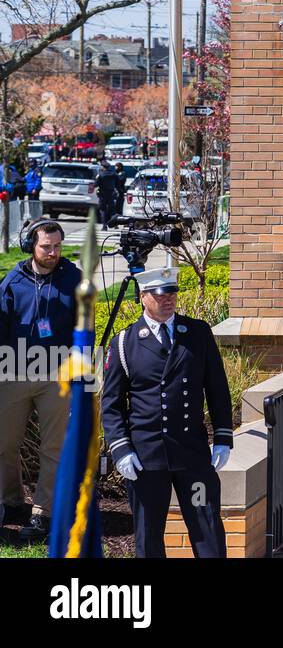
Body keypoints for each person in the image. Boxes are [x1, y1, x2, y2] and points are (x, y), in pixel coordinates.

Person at [100, 266, 234, 558]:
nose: (168, 299)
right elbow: (111, 405)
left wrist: (223, 437)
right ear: (143, 296)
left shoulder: (197, 333)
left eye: (172, 293)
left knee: (207, 525)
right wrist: (121, 449)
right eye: (160, 294)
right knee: (148, 536)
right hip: (146, 457)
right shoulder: (124, 343)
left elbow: (217, 389)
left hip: (191, 454)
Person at [0, 219, 80, 541]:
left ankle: (42, 513)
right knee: (4, 443)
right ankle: (11, 502)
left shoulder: (73, 279)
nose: (53, 252)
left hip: (56, 375)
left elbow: (84, 328)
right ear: (30, 246)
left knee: (53, 447)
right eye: (46, 247)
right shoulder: (12, 281)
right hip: (14, 371)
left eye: (57, 246)